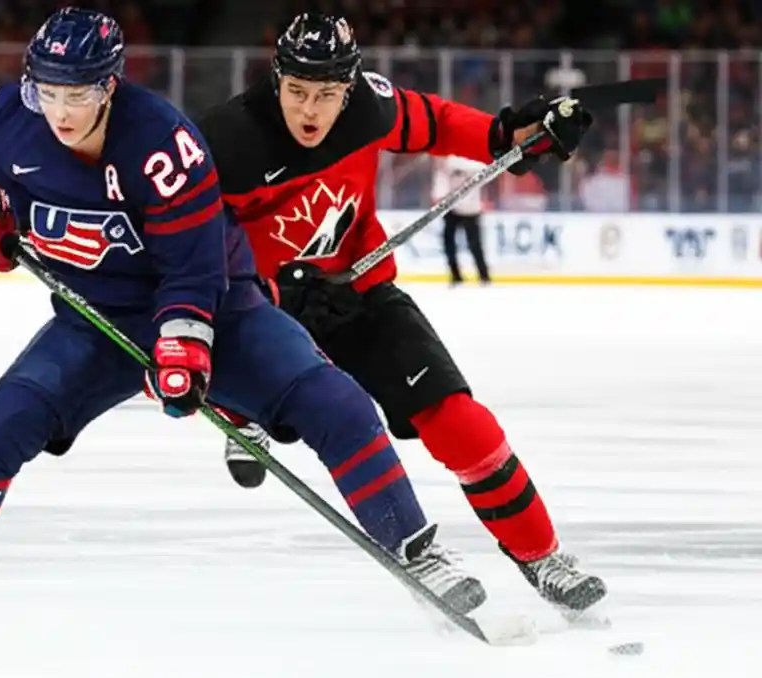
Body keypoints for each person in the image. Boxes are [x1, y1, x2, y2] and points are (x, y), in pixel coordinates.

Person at [0, 7, 488, 644]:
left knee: (340, 404)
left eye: (77, 94)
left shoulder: (165, 143)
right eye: (47, 92)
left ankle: (416, 551)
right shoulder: (4, 117)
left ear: (109, 86)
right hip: (94, 320)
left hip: (221, 306)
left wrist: (183, 350)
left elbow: (193, 269)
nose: (60, 111)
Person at [195, 12, 606, 615]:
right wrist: (278, 293)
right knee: (333, 414)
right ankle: (244, 405)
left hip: (360, 291)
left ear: (350, 89)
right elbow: (190, 246)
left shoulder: (370, 107)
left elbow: (436, 122)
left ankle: (541, 555)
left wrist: (510, 137)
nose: (311, 111)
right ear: (276, 79)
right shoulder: (227, 141)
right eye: (298, 92)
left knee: (462, 420)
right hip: (265, 308)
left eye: (328, 95)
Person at [433, 154, 491, 285]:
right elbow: (441, 177)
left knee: (475, 244)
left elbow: (485, 172)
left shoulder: (474, 162)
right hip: (451, 206)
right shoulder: (451, 160)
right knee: (449, 243)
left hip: (471, 207)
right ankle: (456, 275)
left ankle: (484, 275)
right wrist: (439, 196)